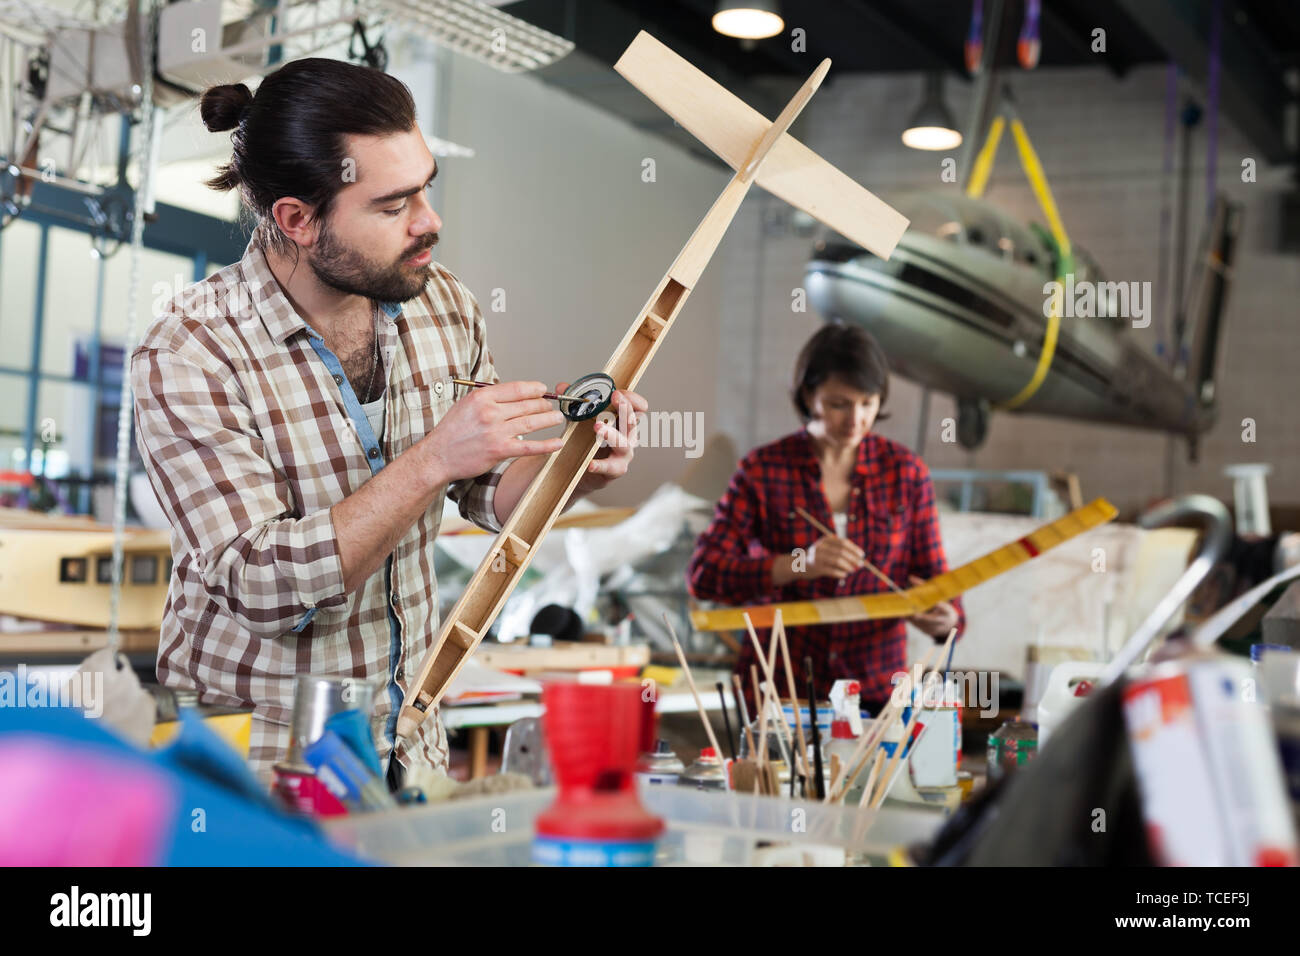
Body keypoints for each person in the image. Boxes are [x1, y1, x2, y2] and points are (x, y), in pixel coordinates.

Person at [130, 58, 647, 789]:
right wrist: (432, 458)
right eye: (392, 204)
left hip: (408, 744)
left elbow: (486, 487)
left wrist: (572, 470)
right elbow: (263, 589)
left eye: (427, 187)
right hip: (263, 771)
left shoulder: (442, 306)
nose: (430, 221)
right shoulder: (192, 350)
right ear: (297, 220)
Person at [686, 322, 963, 714]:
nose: (856, 420)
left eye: (867, 403)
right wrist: (800, 563)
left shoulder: (906, 473)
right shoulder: (763, 470)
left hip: (874, 695)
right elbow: (704, 575)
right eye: (839, 404)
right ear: (807, 394)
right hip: (779, 691)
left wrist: (945, 620)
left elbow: (941, 587)